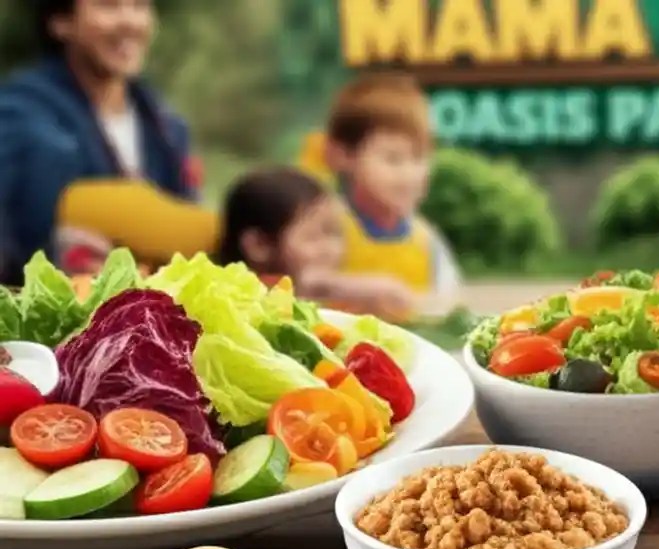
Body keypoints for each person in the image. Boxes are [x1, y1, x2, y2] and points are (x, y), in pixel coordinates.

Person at [0, 0, 197, 285]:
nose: (130, 21)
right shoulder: (20, 115)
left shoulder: (167, 128)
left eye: (140, 5)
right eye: (109, 5)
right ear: (60, 22)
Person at [319, 73, 463, 311]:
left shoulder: (428, 242)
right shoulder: (328, 227)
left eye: (418, 157)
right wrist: (373, 289)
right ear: (342, 155)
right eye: (393, 159)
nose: (409, 174)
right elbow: (304, 283)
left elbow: (449, 307)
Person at [217, 167, 421, 318]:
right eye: (313, 237)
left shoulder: (326, 301)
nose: (331, 249)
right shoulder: (239, 300)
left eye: (335, 234)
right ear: (259, 246)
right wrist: (326, 286)